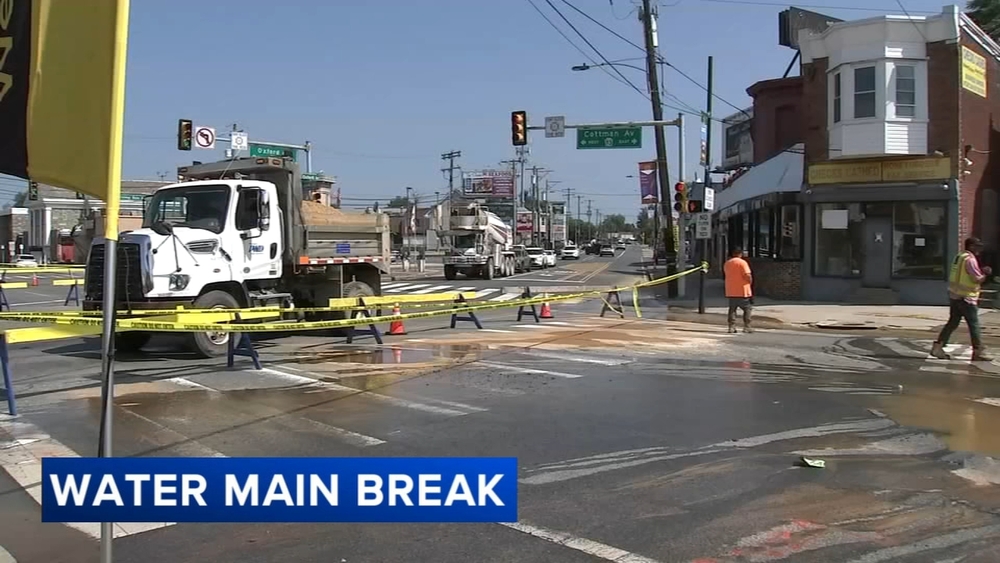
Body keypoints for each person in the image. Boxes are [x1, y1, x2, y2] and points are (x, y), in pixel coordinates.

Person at [931, 237, 993, 361]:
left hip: (955, 296)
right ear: (971, 246)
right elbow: (976, 278)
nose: (979, 249)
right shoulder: (970, 260)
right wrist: (985, 273)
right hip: (966, 298)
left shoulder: (959, 257)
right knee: (974, 324)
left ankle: (938, 347)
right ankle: (978, 351)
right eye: (977, 246)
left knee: (953, 322)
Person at [724, 246, 753, 333]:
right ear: (740, 254)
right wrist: (750, 282)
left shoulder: (727, 263)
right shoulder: (742, 263)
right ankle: (747, 326)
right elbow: (747, 275)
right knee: (747, 308)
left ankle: (731, 327)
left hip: (731, 290)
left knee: (732, 309)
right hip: (742, 290)